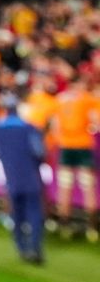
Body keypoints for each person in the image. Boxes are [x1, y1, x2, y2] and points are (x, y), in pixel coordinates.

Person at [0, 93, 47, 263]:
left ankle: (21, 249)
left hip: (11, 178)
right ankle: (35, 248)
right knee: (34, 214)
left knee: (17, 214)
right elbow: (39, 152)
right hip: (31, 178)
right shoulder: (29, 128)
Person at [48, 75, 99, 240]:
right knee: (88, 186)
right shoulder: (87, 99)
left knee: (65, 186)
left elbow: (55, 126)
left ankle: (65, 225)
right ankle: (92, 228)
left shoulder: (60, 100)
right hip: (83, 145)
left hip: (66, 147)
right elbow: (95, 122)